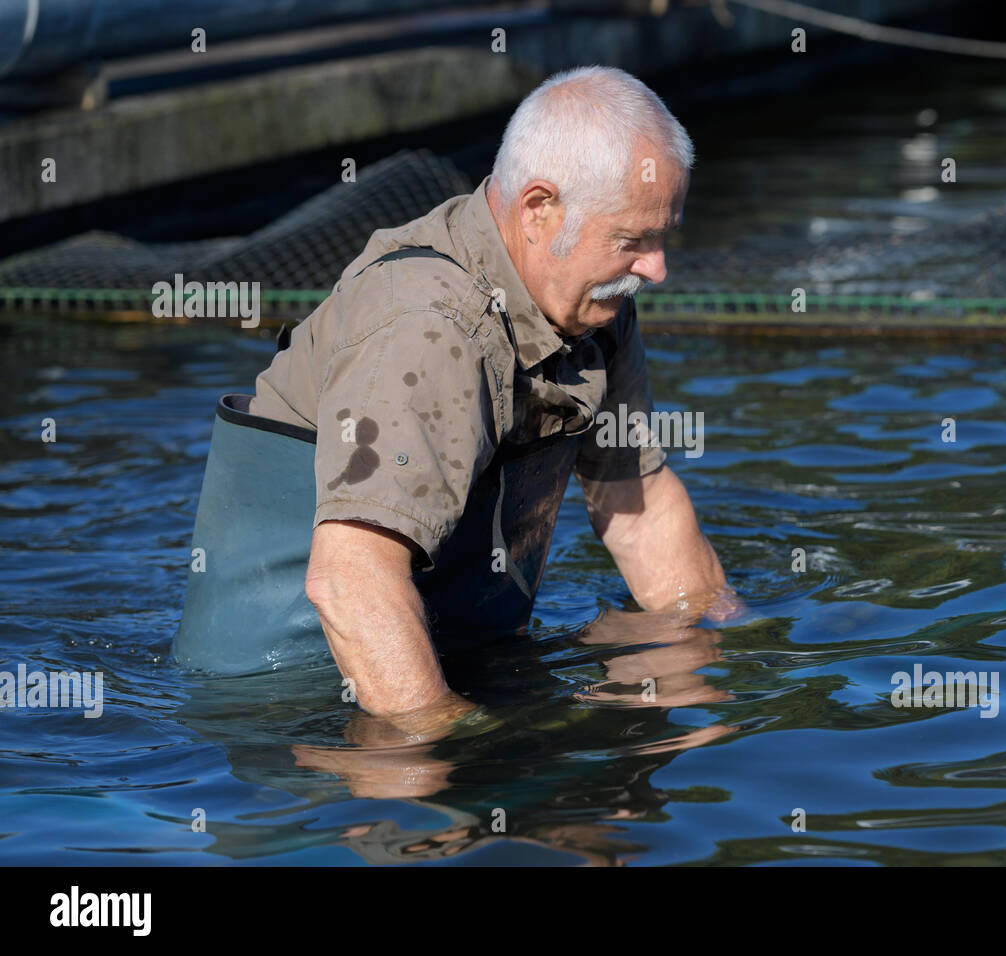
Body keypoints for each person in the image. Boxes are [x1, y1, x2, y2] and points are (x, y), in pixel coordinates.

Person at [173, 65, 737, 735]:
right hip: (290, 709)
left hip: (456, 660)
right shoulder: (428, 325)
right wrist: (461, 740)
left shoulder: (597, 304)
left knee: (637, 777)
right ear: (538, 211)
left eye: (662, 235)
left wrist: (729, 654)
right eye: (633, 240)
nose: (657, 267)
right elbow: (349, 580)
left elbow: (638, 508)